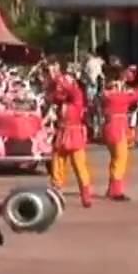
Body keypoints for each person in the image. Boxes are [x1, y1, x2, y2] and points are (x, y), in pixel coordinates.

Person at [45, 61, 94, 208]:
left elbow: (71, 90)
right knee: (56, 166)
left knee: (80, 167)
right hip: (62, 133)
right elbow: (51, 95)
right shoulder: (61, 100)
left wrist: (59, 76)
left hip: (74, 133)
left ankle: (86, 196)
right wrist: (53, 79)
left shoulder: (77, 96)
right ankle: (56, 193)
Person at [99, 62, 138, 201]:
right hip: (118, 127)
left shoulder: (106, 95)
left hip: (108, 127)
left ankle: (111, 188)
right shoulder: (120, 96)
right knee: (120, 160)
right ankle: (116, 191)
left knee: (115, 159)